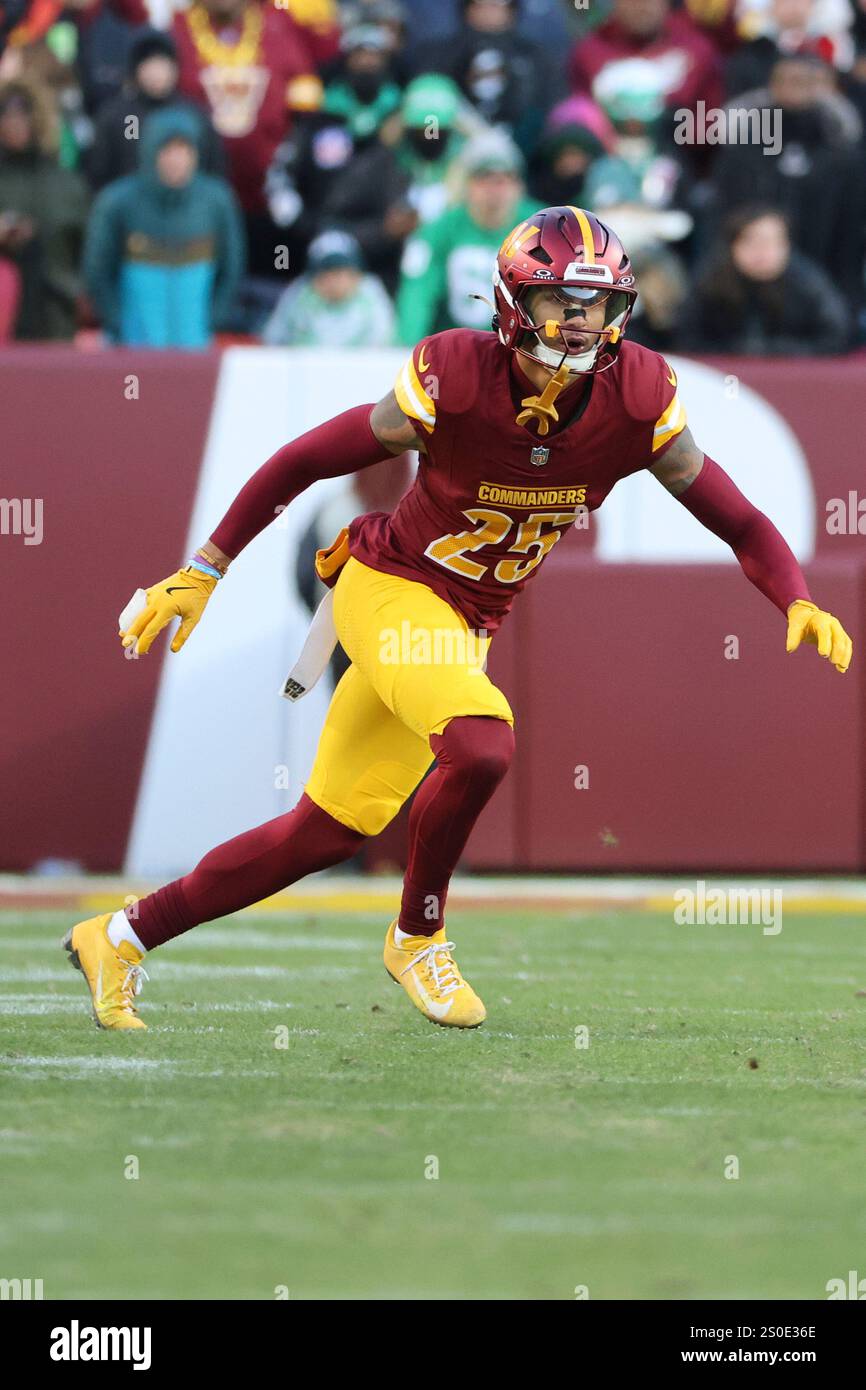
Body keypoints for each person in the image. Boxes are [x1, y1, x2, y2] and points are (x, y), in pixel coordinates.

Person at [63, 205, 852, 1032]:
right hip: (389, 586)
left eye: (598, 305)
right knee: (482, 739)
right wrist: (205, 568)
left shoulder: (639, 397)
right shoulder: (457, 376)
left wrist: (794, 593)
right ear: (514, 304)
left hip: (462, 622)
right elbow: (303, 459)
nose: (581, 323)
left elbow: (740, 521)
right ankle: (419, 934)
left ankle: (119, 936)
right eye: (560, 302)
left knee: (327, 831)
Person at [83, 105, 244, 347]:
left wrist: (213, 319)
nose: (176, 160)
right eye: (167, 150)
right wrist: (117, 321)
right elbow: (97, 270)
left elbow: (231, 267)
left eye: (184, 150)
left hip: (195, 345)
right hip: (134, 347)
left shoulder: (216, 201)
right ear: (150, 152)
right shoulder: (118, 201)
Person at [396, 129, 536, 341]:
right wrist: (407, 350)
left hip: (521, 354)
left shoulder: (539, 228)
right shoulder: (438, 231)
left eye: (503, 179)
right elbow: (416, 297)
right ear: (467, 184)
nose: (494, 190)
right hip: (458, 350)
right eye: (484, 178)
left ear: (519, 186)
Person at [677, 204, 851, 354]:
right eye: (751, 241)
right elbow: (686, 337)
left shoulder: (808, 284)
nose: (761, 251)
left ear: (786, 245)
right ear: (732, 246)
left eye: (769, 242)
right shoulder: (710, 282)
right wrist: (737, 350)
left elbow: (835, 337)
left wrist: (782, 350)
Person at [0, 75, 89, 338]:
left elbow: (87, 252)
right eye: (5, 114)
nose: (14, 123)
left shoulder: (67, 184)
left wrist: (74, 294)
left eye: (22, 114)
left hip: (57, 319)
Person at [87, 27, 227, 190]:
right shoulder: (122, 117)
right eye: (149, 65)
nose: (156, 73)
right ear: (136, 70)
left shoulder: (194, 115)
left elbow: (214, 167)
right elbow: (102, 170)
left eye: (162, 64)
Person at [262, 226, 395, 346]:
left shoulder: (370, 294)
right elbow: (273, 339)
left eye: (338, 272)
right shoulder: (300, 294)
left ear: (356, 275)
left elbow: (383, 343)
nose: (332, 282)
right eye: (324, 274)